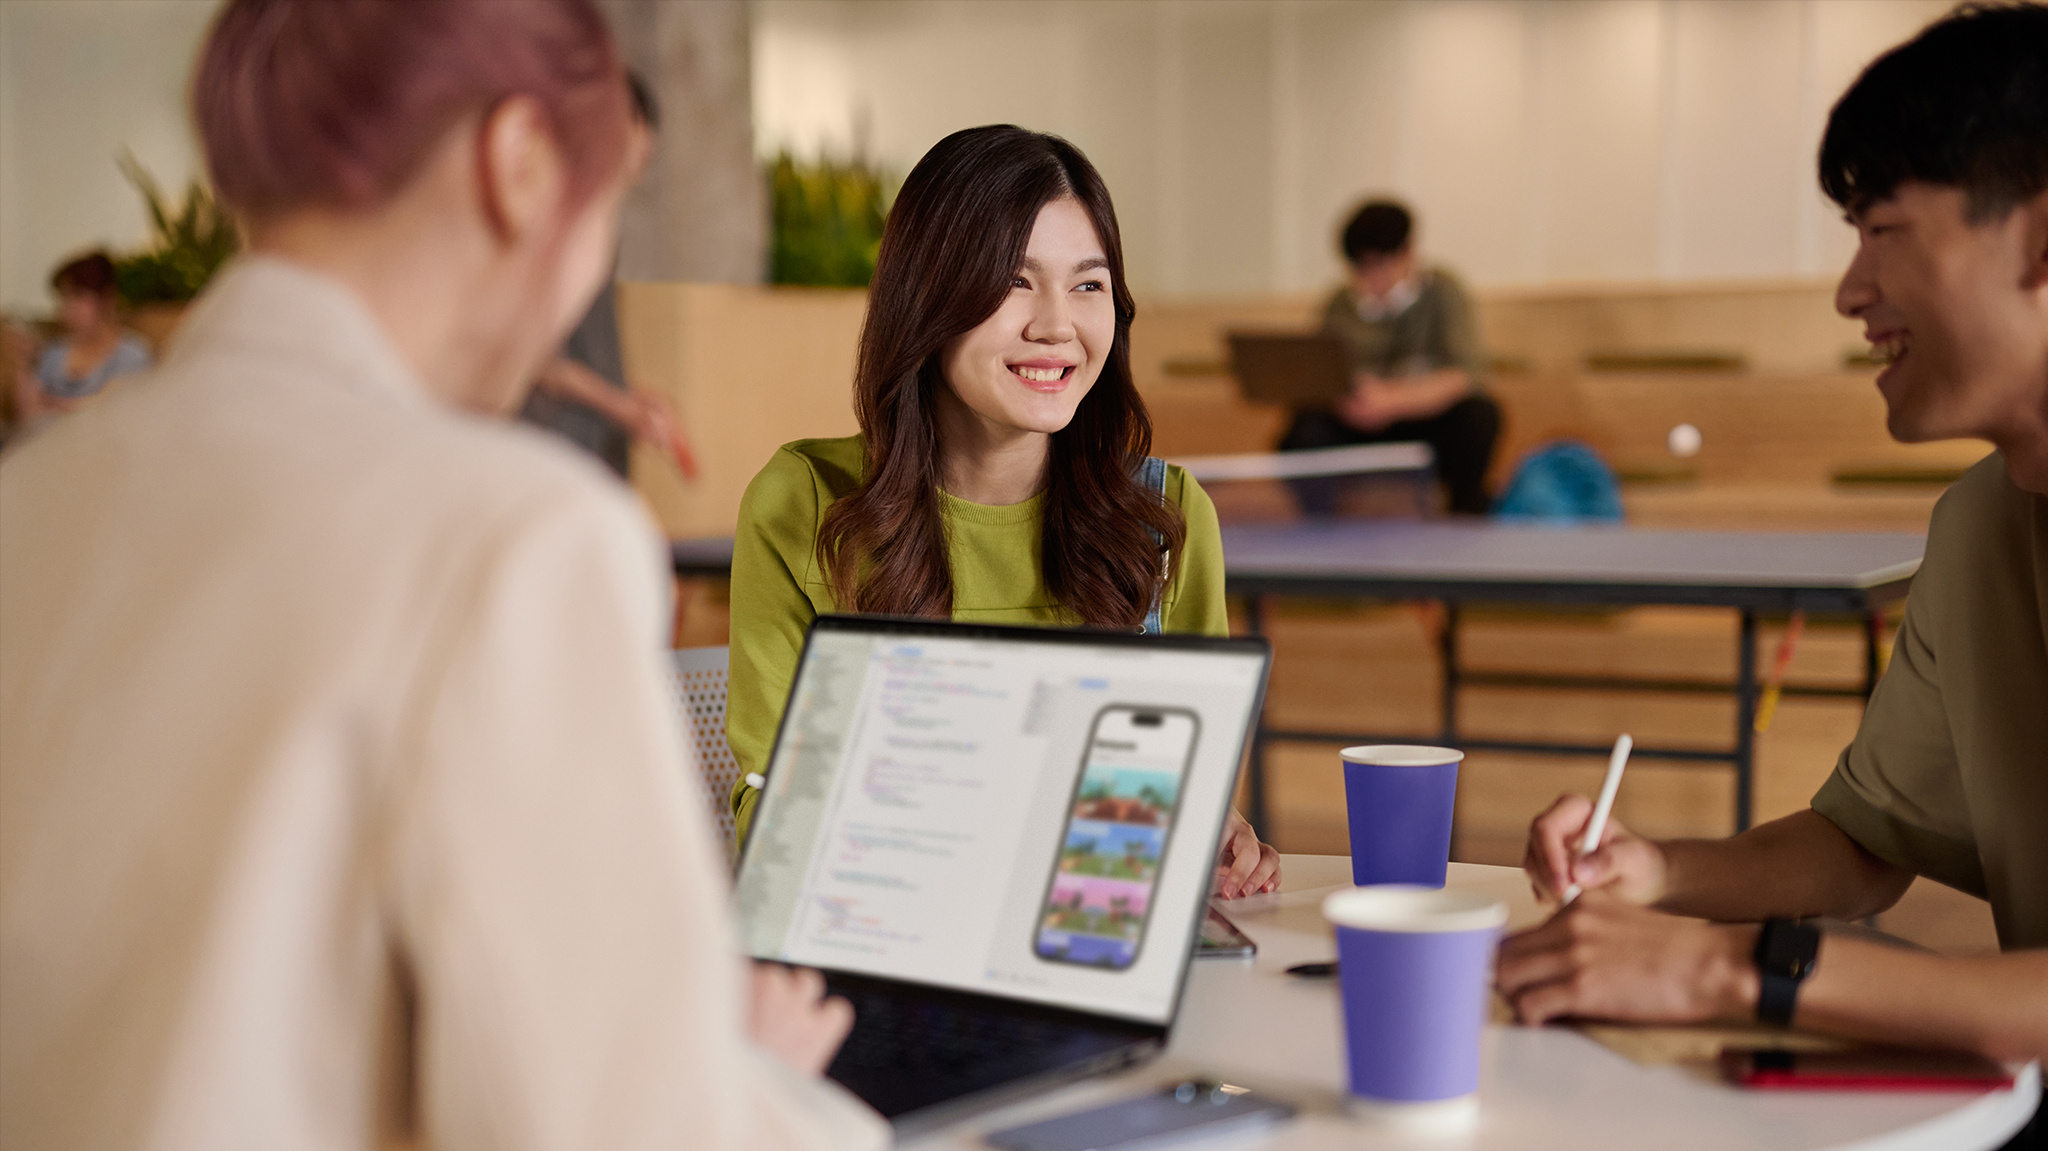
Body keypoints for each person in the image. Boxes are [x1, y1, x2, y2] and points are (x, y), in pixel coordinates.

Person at [0, 1, 883, 1148]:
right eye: (607, 209)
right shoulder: (515, 537)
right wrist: (749, 1077)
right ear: (518, 164)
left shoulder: (36, 497)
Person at [1494, 0, 2048, 1125]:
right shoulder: (1979, 526)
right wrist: (1657, 872)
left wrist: (1735, 967)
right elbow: (1861, 842)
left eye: (1880, 229)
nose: (1848, 293)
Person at [724, 125, 1281, 899]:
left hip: (1087, 948)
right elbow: (771, 820)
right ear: (928, 299)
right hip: (879, 940)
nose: (1058, 325)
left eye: (1088, 285)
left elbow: (1176, 812)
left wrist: (1215, 833)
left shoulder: (1166, 519)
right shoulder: (803, 504)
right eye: (1016, 281)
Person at [520, 73, 695, 481]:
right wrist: (621, 406)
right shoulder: (549, 224)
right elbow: (538, 360)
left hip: (592, 452)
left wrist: (628, 400)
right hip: (552, 452)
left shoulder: (600, 230)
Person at [1277, 199, 1500, 515]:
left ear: (1407, 253)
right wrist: (1348, 401)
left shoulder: (1443, 291)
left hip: (1424, 421)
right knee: (1304, 430)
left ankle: (1464, 517)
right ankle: (1320, 522)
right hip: (1359, 422)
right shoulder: (1340, 302)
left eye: (1379, 264)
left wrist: (1394, 400)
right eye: (1359, 267)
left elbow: (1465, 375)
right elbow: (1320, 370)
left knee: (1479, 417)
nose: (1370, 277)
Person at [8, 251, 154, 429]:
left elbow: (113, 409)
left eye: (78, 296)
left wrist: (52, 404)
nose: (68, 308)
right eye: (63, 297)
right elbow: (29, 418)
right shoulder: (53, 353)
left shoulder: (132, 355)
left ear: (107, 298)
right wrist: (22, 363)